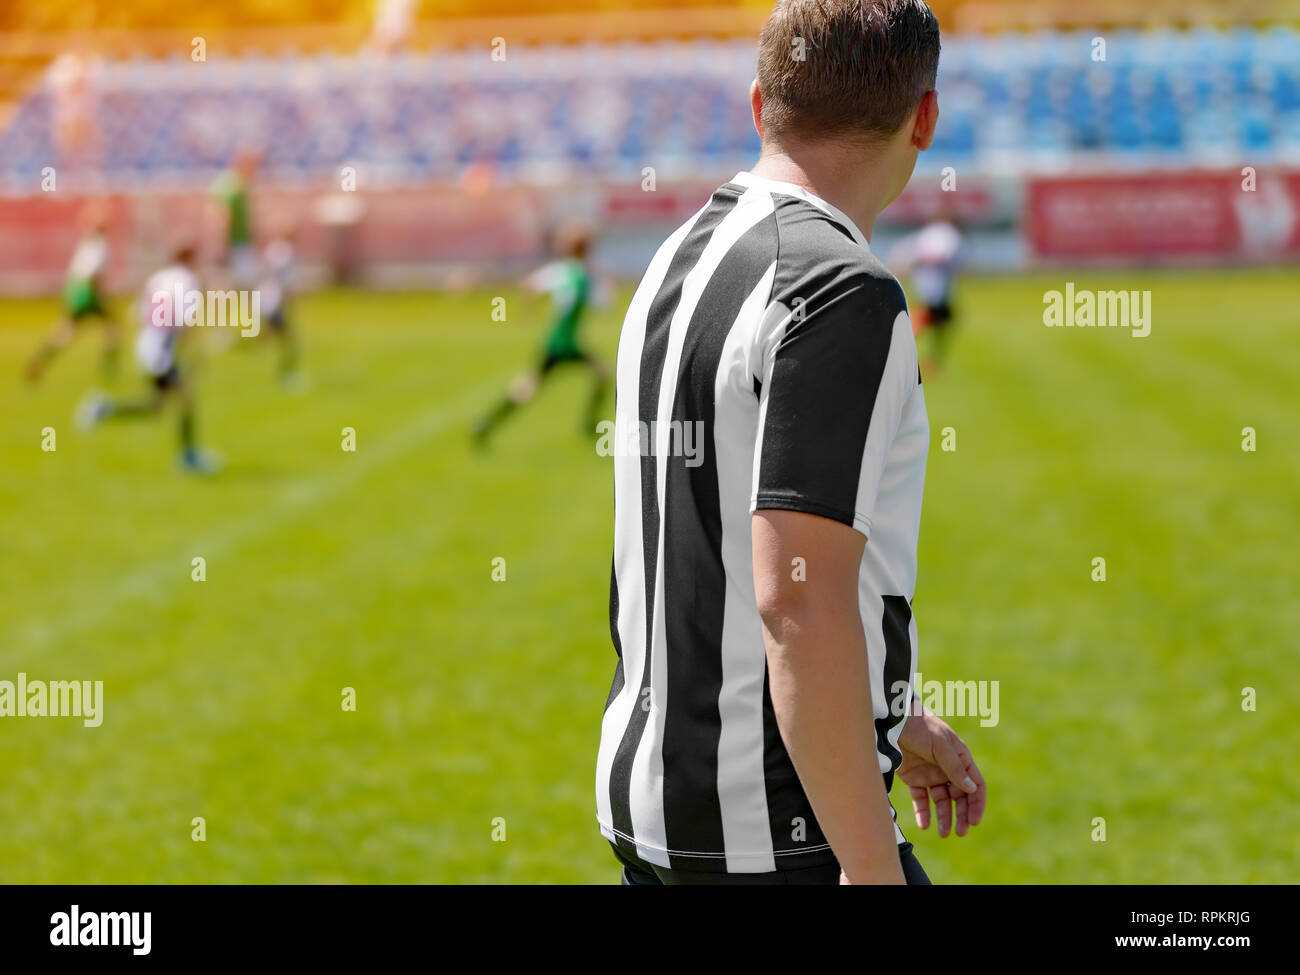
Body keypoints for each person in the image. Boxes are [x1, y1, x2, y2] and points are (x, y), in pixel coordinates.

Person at [595, 0, 985, 885]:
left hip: (659, 809)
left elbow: (710, 555)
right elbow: (795, 603)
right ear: (925, 118)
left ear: (759, 102)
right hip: (778, 833)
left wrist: (886, 718)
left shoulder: (675, 256)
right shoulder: (840, 289)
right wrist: (870, 861)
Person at [78, 245, 215, 474]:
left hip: (147, 343)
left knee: (156, 406)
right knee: (184, 399)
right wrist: (193, 353)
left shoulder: (159, 277)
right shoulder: (188, 280)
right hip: (161, 350)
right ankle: (188, 458)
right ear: (190, 257)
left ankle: (103, 409)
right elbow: (185, 320)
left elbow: (138, 312)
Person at [472, 222, 609, 444]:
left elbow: (529, 286)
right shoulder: (583, 275)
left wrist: (529, 312)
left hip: (557, 341)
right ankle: (589, 423)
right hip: (564, 344)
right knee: (601, 375)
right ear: (587, 249)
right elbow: (604, 306)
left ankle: (487, 422)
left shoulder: (561, 271)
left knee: (530, 388)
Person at [25, 202, 119, 383]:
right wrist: (102, 297)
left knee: (67, 331)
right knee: (112, 330)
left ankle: (40, 359)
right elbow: (93, 276)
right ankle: (108, 372)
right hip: (87, 291)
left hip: (75, 289)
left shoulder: (88, 242)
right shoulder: (99, 246)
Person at [890, 214, 963, 375]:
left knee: (940, 326)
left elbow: (907, 255)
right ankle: (896, 350)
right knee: (926, 321)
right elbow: (940, 256)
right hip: (935, 289)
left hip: (930, 287)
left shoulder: (928, 234)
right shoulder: (947, 235)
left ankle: (931, 362)